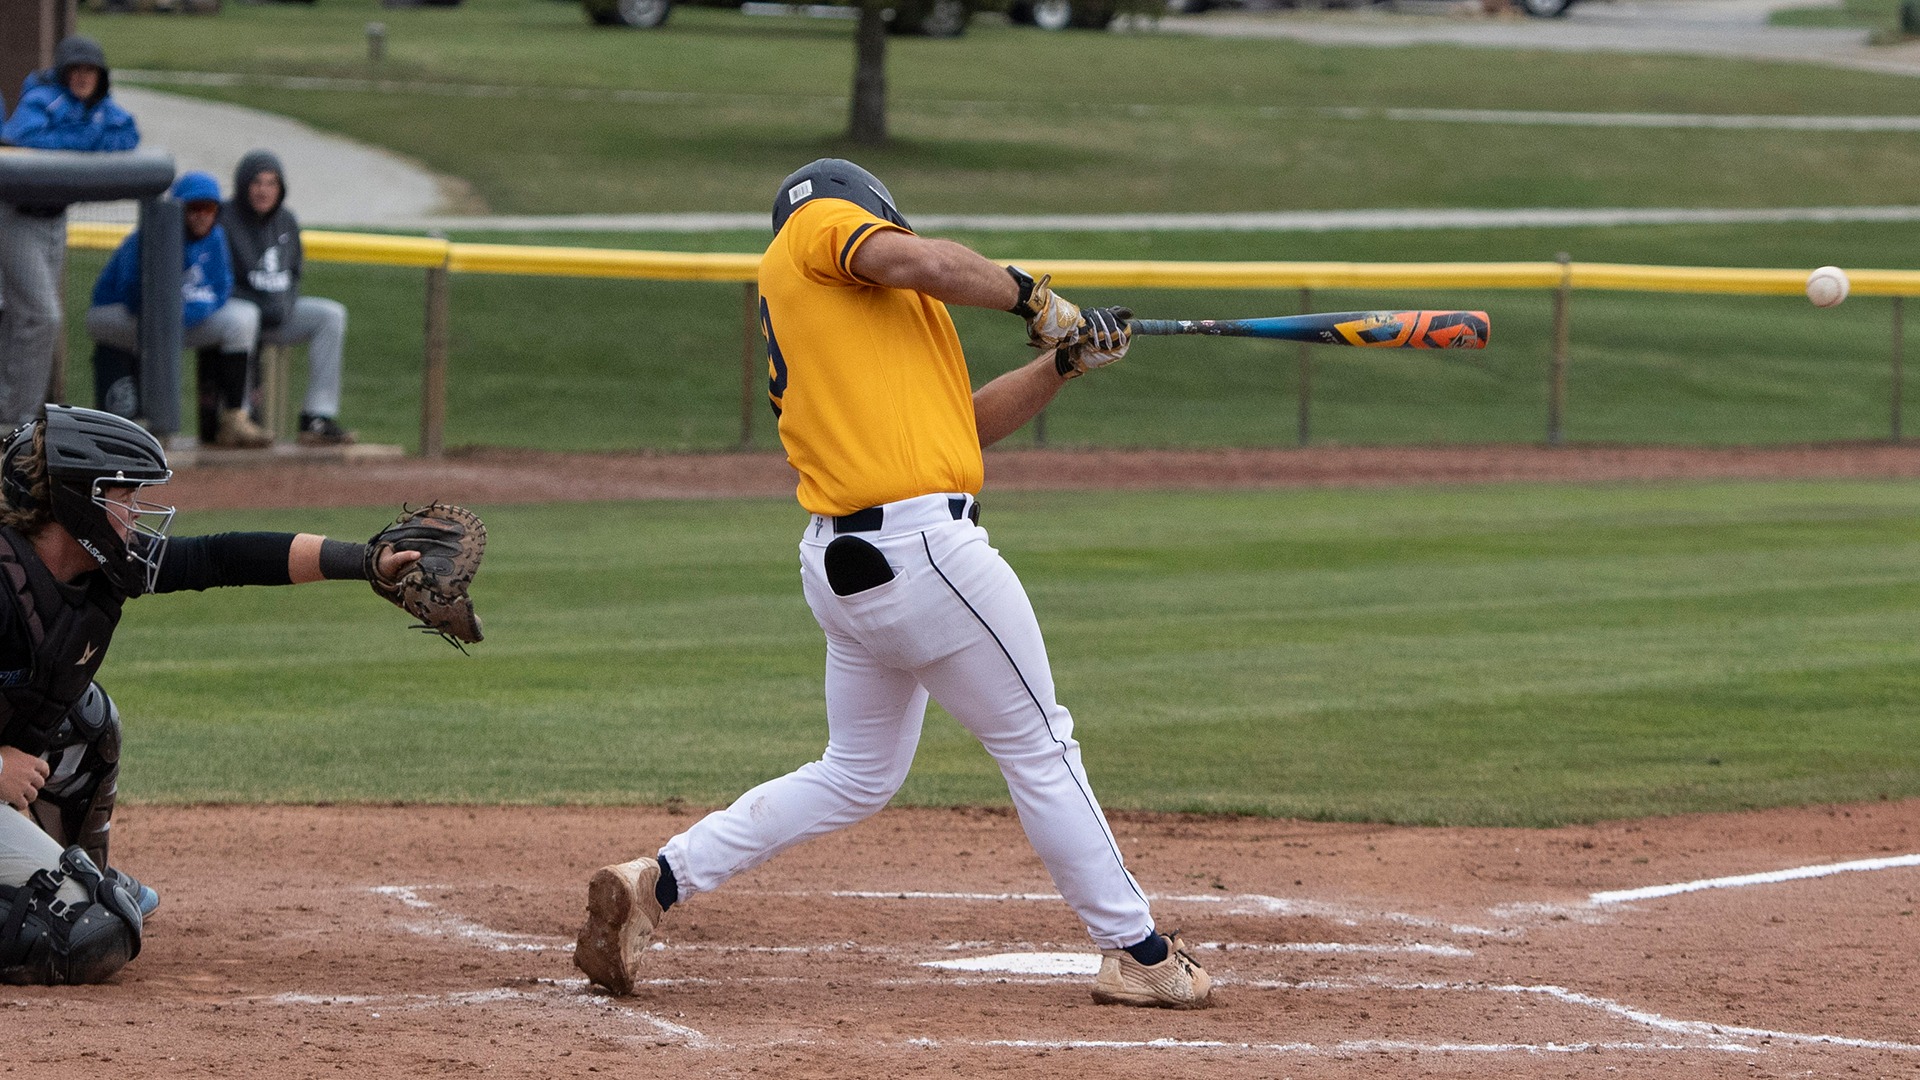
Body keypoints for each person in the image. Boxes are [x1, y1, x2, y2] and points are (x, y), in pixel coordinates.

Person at [572, 159, 1213, 1010]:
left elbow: (963, 428)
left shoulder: (862, 318)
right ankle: (1139, 950)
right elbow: (927, 260)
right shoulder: (815, 227)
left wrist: (1064, 363)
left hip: (853, 560)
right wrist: (1032, 296)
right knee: (1040, 745)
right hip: (922, 551)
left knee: (858, 772)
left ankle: (659, 881)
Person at [0, 403, 424, 985]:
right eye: (124, 495)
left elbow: (221, 556)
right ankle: (66, 896)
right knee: (88, 935)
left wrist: (368, 562)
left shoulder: (102, 568)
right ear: (77, 502)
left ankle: (82, 875)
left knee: (88, 724)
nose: (137, 510)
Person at [0, 35, 139, 428]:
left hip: (55, 221)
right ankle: (16, 421)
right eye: (75, 70)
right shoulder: (42, 99)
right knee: (42, 316)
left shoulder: (99, 107)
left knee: (21, 317)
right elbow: (22, 137)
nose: (82, 77)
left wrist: (79, 139)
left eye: (90, 70)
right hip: (16, 216)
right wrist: (88, 140)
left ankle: (12, 417)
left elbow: (129, 134)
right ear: (62, 73)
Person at [84, 171, 273, 449]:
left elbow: (222, 288)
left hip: (178, 320)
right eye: (194, 208)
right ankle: (145, 423)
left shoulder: (216, 237)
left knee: (244, 316)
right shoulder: (150, 238)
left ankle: (234, 418)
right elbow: (132, 296)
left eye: (209, 209)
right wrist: (175, 314)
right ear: (178, 210)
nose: (202, 216)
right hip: (117, 317)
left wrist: (186, 312)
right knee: (159, 329)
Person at [220, 150, 356, 447]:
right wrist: (261, 306)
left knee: (330, 315)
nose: (264, 190)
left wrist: (283, 305)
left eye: (272, 183)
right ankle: (239, 420)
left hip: (277, 314)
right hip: (240, 318)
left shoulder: (287, 221)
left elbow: (294, 274)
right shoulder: (225, 219)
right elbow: (220, 281)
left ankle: (316, 418)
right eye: (257, 182)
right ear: (243, 185)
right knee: (245, 317)